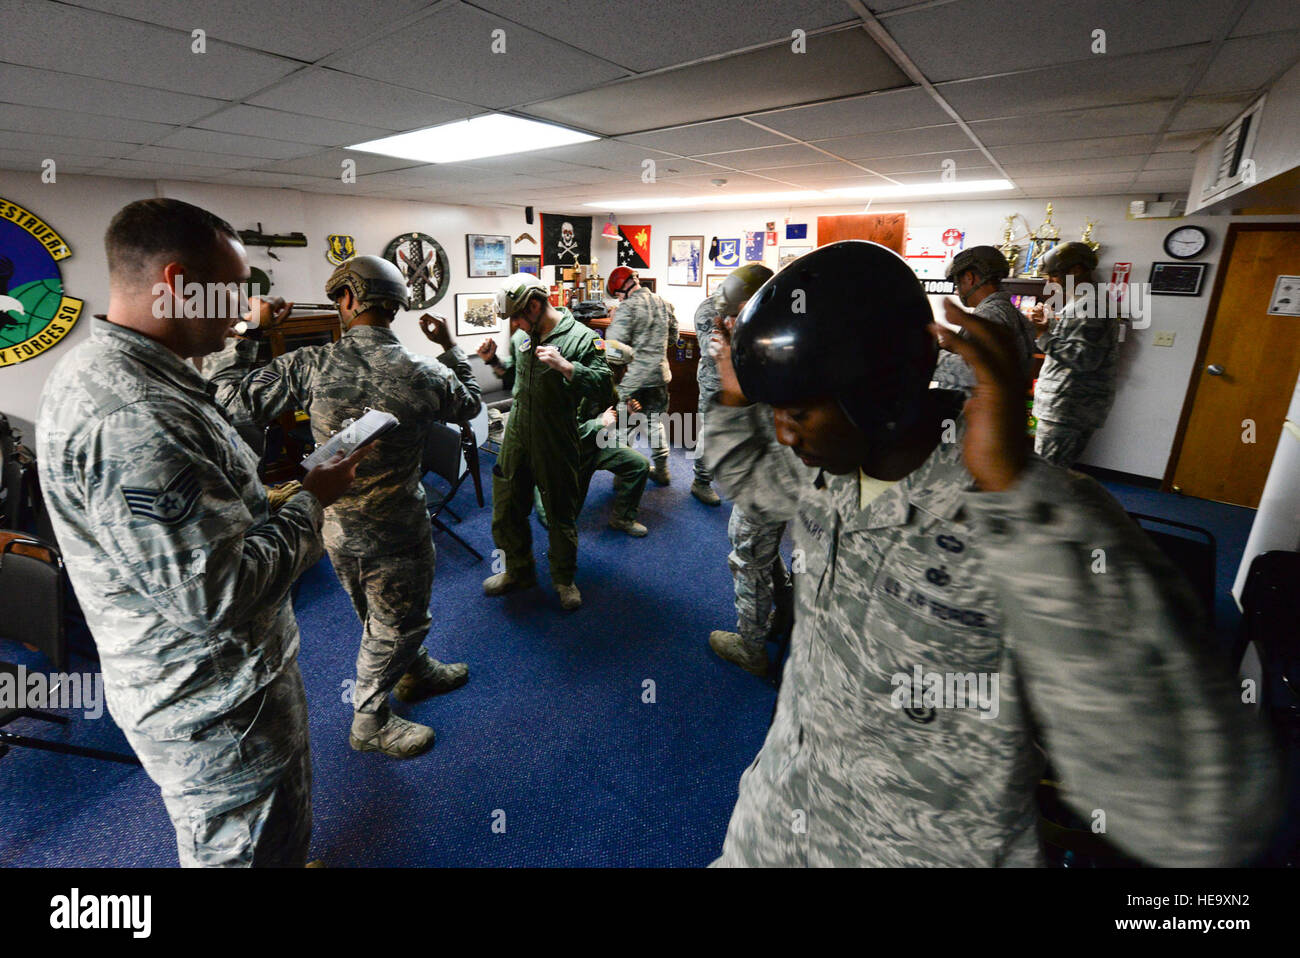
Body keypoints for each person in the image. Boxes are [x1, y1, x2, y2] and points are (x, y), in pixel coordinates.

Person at [702, 239, 1278, 866]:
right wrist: (736, 400)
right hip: (780, 812)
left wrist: (1023, 501)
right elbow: (752, 480)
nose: (783, 432)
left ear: (875, 391)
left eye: (797, 412)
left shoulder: (1029, 519)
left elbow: (1196, 815)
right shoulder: (829, 466)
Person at [36, 198, 368, 866]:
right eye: (235, 292)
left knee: (271, 842)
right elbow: (215, 595)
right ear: (179, 284)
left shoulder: (120, 373)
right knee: (240, 850)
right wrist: (311, 500)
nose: (243, 310)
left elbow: (199, 517)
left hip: (227, 683)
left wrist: (271, 495)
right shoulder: (135, 416)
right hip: (216, 711)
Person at [211, 255, 481, 759]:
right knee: (401, 620)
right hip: (398, 527)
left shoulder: (312, 363)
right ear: (396, 307)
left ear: (349, 300)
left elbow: (228, 401)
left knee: (377, 614)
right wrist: (449, 347)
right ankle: (369, 722)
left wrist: (250, 331)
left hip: (332, 522)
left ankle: (414, 670)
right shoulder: (422, 371)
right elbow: (469, 403)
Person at [476, 272, 612, 610]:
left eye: (518, 317)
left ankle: (564, 579)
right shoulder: (525, 337)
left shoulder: (583, 338)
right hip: (518, 431)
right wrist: (494, 361)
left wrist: (568, 368)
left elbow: (606, 387)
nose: (516, 325)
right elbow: (515, 376)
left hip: (556, 434)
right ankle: (517, 571)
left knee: (559, 513)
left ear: (535, 306)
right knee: (506, 509)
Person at [704, 264, 793, 678]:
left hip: (769, 473)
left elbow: (743, 425)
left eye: (736, 312)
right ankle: (786, 612)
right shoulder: (786, 339)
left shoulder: (765, 352)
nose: (727, 321)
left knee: (747, 558)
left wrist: (729, 371)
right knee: (765, 551)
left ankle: (752, 646)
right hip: (784, 470)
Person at [535, 338, 651, 536]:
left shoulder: (608, 387)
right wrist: (599, 423)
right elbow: (565, 432)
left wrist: (628, 415)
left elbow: (610, 420)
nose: (626, 373)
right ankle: (540, 485)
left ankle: (622, 518)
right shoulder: (573, 387)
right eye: (624, 368)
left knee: (639, 465)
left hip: (596, 445)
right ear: (612, 368)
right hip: (569, 453)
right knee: (554, 520)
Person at [1028, 241, 1118, 467]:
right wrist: (1048, 328)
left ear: (1076, 270)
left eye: (1054, 275)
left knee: (1047, 476)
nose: (1050, 281)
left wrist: (1042, 335)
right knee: (1052, 474)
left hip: (1068, 407)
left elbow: (1083, 358)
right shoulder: (1082, 302)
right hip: (1066, 405)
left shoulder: (1091, 304)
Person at [604, 265, 677, 485]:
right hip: (660, 376)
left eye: (617, 294)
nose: (617, 298)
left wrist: (633, 354)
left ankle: (621, 477)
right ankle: (662, 471)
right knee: (655, 423)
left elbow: (613, 349)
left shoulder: (627, 308)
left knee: (623, 426)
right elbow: (673, 338)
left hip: (635, 379)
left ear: (622, 288)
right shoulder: (664, 303)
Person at [933, 245, 1038, 396]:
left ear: (970, 278)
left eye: (958, 283)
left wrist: (928, 358)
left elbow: (980, 371)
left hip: (978, 412)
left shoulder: (989, 316)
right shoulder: (1011, 313)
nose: (957, 290)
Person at [689, 288, 725, 506]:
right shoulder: (710, 308)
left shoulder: (747, 306)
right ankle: (701, 481)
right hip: (715, 382)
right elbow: (710, 349)